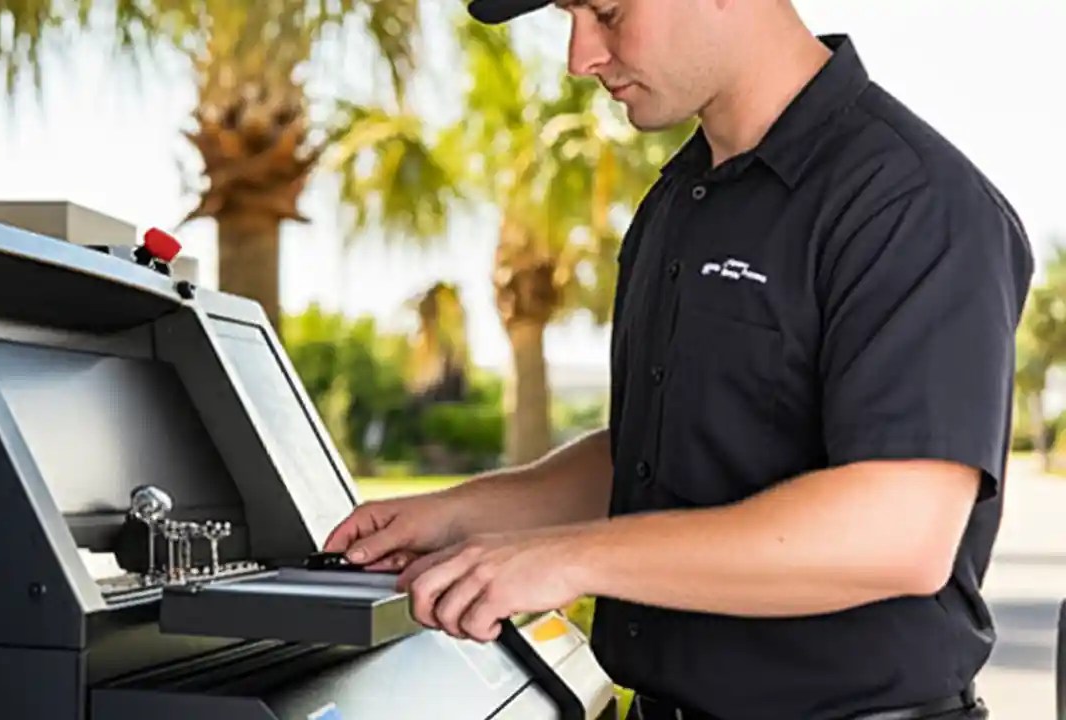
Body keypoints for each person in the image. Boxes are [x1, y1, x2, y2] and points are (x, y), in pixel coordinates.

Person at [324, 0, 1034, 717]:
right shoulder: (677, 201)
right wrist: (459, 517)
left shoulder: (914, 203)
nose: (581, 57)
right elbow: (661, 452)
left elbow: (896, 535)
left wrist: (568, 558)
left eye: (606, 11)